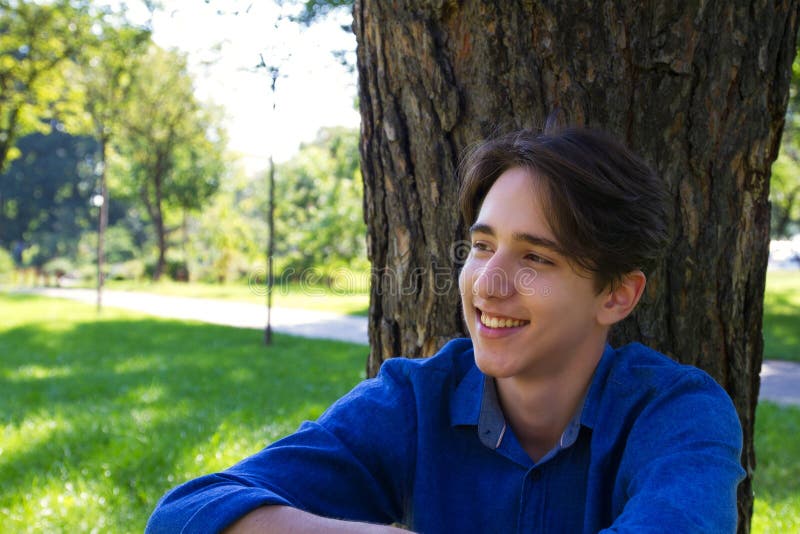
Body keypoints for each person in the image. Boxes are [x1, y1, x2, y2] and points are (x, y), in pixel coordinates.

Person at [146, 125, 745, 533]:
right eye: (483, 246)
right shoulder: (414, 400)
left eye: (535, 258)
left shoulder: (678, 413)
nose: (488, 284)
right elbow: (186, 514)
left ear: (617, 294)